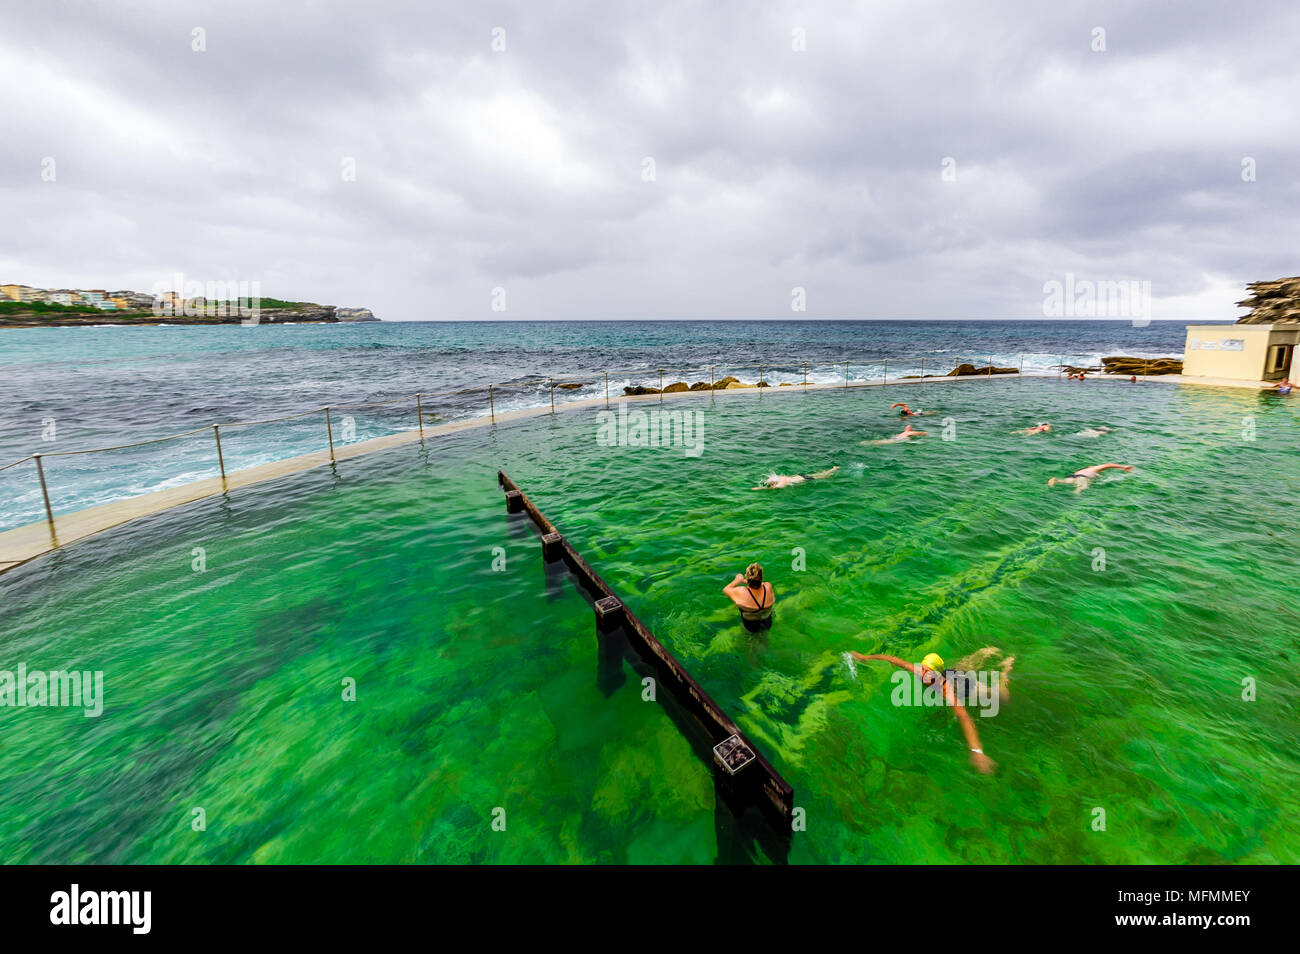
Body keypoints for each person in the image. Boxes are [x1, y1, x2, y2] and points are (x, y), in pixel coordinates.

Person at [848, 650, 997, 774]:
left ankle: (1004, 668)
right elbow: (894, 660)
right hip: (950, 674)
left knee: (997, 694)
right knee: (962, 667)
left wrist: (977, 751)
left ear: (937, 675)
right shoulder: (922, 672)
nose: (924, 675)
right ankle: (984, 653)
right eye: (924, 670)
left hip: (966, 687)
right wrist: (865, 657)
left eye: (929, 672)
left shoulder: (947, 691)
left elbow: (963, 716)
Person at [723, 563, 774, 632]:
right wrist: (748, 581)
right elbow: (761, 584)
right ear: (761, 577)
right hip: (767, 621)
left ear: (747, 578)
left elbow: (726, 589)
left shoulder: (742, 592)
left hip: (750, 625)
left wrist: (737, 580)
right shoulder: (768, 587)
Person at [1048, 462, 1133, 493]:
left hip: (1074, 475)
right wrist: (1123, 467)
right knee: (1083, 487)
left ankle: (1055, 480)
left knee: (1065, 482)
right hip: (1083, 477)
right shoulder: (1095, 468)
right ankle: (1076, 492)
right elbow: (1109, 465)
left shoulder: (1084, 469)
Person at [752, 465, 839, 489]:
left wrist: (759, 488)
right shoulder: (780, 478)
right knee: (820, 474)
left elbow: (773, 488)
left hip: (804, 479)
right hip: (800, 476)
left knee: (823, 476)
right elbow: (770, 481)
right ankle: (832, 469)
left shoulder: (781, 484)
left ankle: (833, 470)